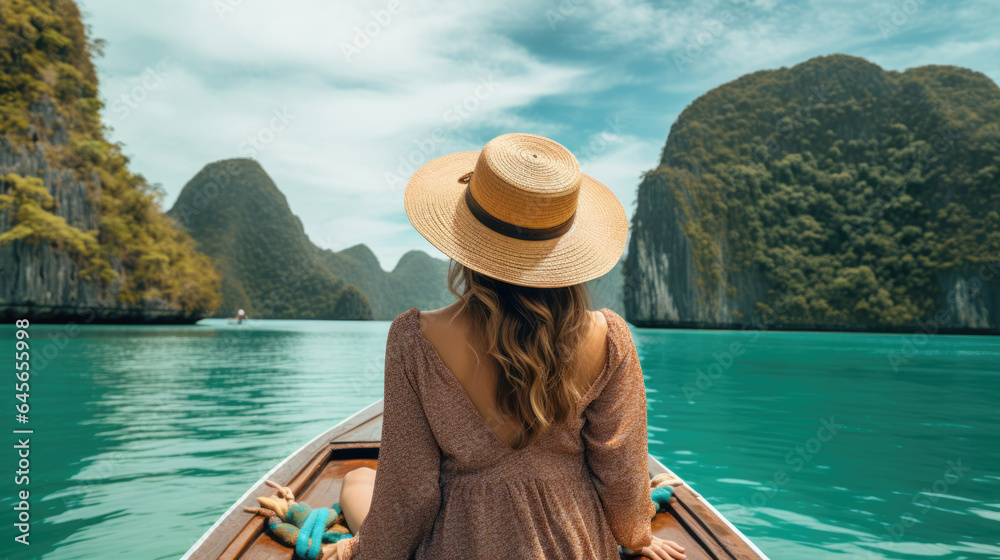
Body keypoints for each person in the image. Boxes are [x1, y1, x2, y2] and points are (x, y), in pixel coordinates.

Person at [328, 133, 686, 560]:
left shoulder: (415, 338)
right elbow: (621, 476)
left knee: (357, 479)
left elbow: (411, 494)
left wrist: (361, 551)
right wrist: (637, 536)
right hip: (575, 543)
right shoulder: (609, 337)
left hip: (464, 543)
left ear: (466, 239)